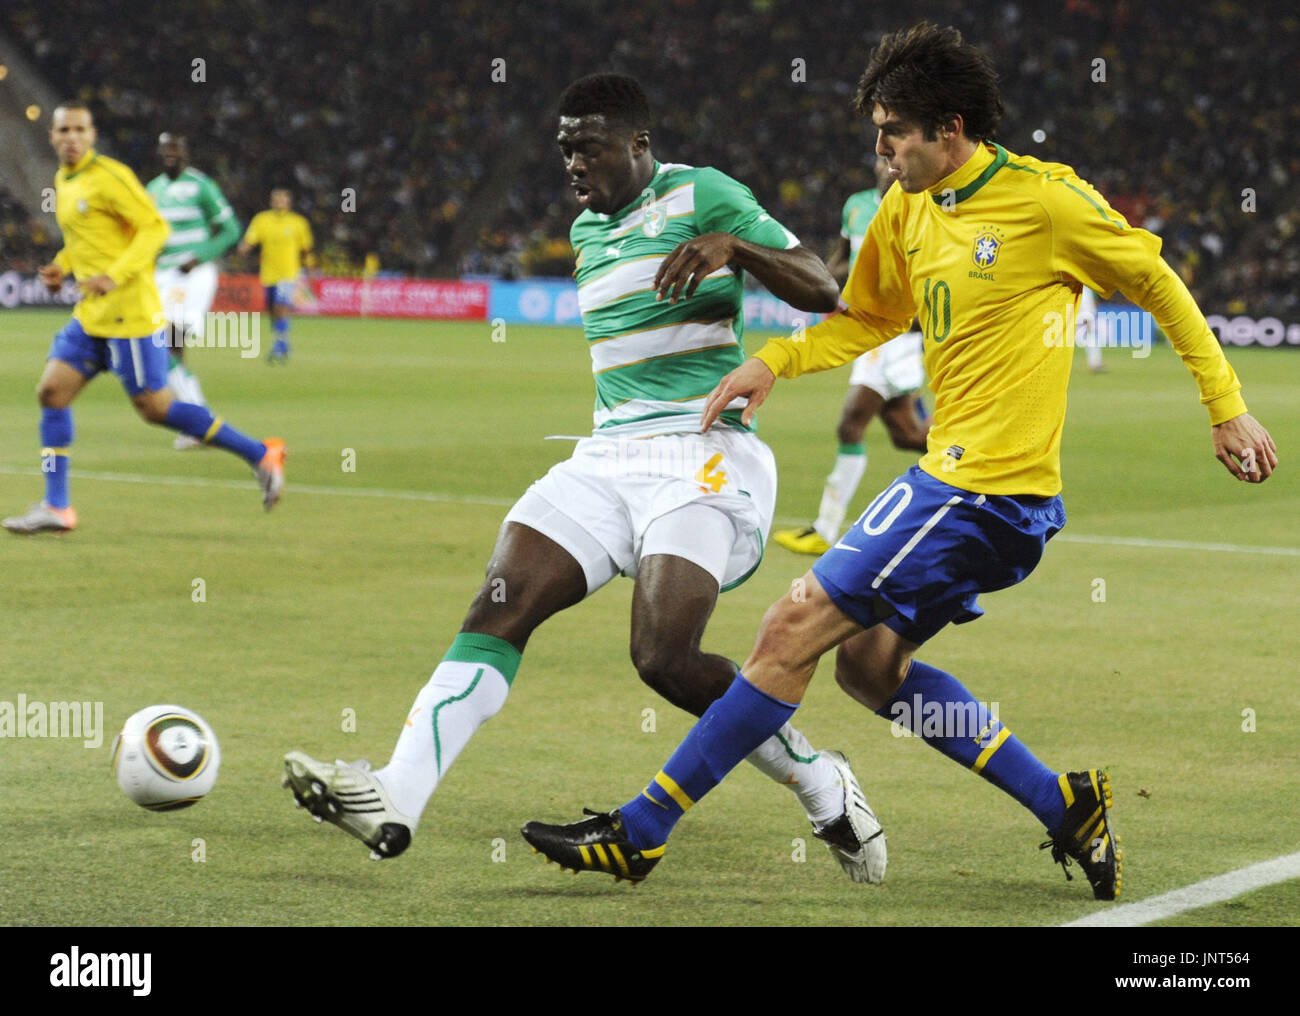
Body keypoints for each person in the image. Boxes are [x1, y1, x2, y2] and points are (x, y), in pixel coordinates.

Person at [520, 24, 1278, 899]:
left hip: (987, 489)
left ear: (948, 130)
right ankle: (1065, 804)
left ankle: (642, 829)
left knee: (787, 630)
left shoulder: (1047, 202)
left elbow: (1158, 283)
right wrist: (775, 363)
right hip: (953, 483)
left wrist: (1226, 408)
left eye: (893, 134)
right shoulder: (906, 209)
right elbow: (866, 316)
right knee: (869, 667)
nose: (880, 151)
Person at [283, 73, 888, 885]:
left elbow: (823, 287)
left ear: (638, 144)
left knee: (665, 657)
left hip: (703, 453)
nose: (572, 161)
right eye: (565, 146)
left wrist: (735, 247)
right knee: (499, 606)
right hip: (607, 457)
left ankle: (822, 780)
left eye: (589, 145)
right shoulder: (586, 231)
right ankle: (396, 794)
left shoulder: (703, 192)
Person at [3, 103, 286, 535]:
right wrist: (62, 265)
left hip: (130, 316)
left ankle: (260, 453)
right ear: (53, 136)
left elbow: (154, 228)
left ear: (92, 135)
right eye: (65, 130)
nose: (72, 137)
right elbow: (86, 241)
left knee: (156, 409)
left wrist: (114, 276)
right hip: (91, 316)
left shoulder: (112, 177)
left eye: (81, 129)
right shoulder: (64, 179)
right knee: (51, 393)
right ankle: (56, 507)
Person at [773, 156, 930, 556]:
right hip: (866, 333)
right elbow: (841, 258)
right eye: (882, 158)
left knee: (851, 424)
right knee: (906, 435)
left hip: (897, 335)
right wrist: (825, 283)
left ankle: (825, 529)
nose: (888, 165)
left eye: (895, 159)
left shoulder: (919, 206)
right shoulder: (857, 206)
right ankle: (975, 461)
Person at [146, 132, 242, 448]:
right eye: (165, 149)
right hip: (163, 276)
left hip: (193, 275)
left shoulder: (201, 185)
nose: (171, 154)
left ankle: (197, 422)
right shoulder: (153, 190)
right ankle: (198, 420)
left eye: (177, 148)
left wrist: (199, 256)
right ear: (158, 154)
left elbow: (231, 231)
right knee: (163, 345)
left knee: (167, 341)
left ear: (186, 153)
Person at [238, 188, 313, 363]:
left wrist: (309, 269)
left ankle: (279, 345)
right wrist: (243, 248)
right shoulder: (262, 220)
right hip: (268, 273)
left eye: (283, 199)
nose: (279, 202)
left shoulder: (298, 223)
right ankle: (283, 341)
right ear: (271, 202)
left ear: (289, 202)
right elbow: (251, 239)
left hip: (288, 273)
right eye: (276, 199)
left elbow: (306, 249)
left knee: (281, 305)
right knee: (273, 311)